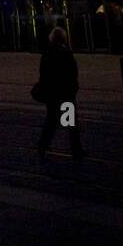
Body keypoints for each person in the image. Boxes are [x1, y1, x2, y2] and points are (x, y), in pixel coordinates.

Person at [35, 26, 84, 160]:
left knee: (51, 122)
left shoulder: (47, 54)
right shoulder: (66, 53)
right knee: (71, 124)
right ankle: (76, 150)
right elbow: (73, 73)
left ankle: (42, 146)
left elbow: (43, 74)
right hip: (67, 94)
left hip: (53, 94)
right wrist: (73, 89)